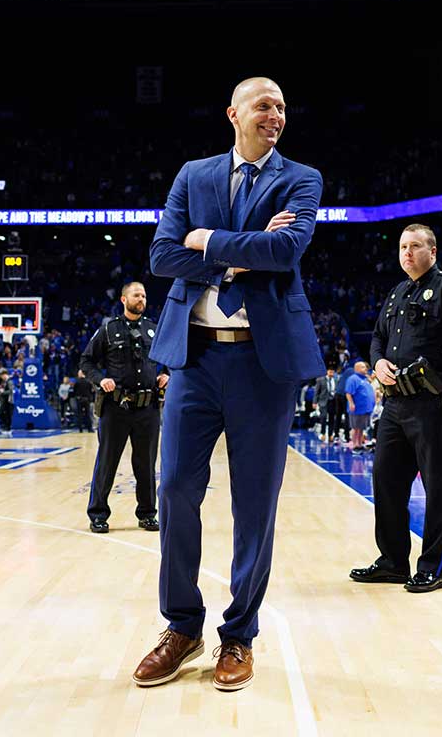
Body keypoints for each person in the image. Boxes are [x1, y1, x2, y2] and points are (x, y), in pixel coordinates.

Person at [134, 77, 325, 693]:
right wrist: (243, 250)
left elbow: (287, 250)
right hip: (193, 358)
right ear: (234, 114)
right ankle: (182, 625)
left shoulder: (302, 178)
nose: (277, 115)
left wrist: (209, 240)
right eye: (265, 105)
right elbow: (163, 256)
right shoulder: (194, 174)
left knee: (255, 503)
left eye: (283, 107)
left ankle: (238, 634)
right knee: (174, 488)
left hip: (262, 365)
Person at [351, 223, 442, 593]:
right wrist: (377, 363)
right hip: (394, 406)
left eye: (415, 246)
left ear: (432, 252)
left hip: (433, 405)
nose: (407, 253)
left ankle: (434, 567)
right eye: (402, 247)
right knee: (387, 483)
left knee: (437, 488)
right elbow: (377, 338)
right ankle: (393, 562)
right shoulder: (395, 294)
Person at [79, 281, 168, 534]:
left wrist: (167, 375)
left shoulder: (154, 329)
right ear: (123, 299)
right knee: (107, 462)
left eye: (144, 295)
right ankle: (98, 515)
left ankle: (147, 513)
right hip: (116, 407)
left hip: (147, 408)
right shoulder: (108, 329)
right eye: (136, 295)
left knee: (146, 464)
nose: (141, 299)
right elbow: (86, 361)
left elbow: (171, 358)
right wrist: (100, 379)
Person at [344, 361, 375, 451]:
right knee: (355, 428)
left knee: (361, 428)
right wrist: (351, 403)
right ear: (357, 369)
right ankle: (355, 445)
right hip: (357, 408)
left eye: (365, 367)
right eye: (363, 367)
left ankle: (359, 444)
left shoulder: (365, 379)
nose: (365, 369)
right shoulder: (353, 379)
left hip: (365, 409)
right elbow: (348, 393)